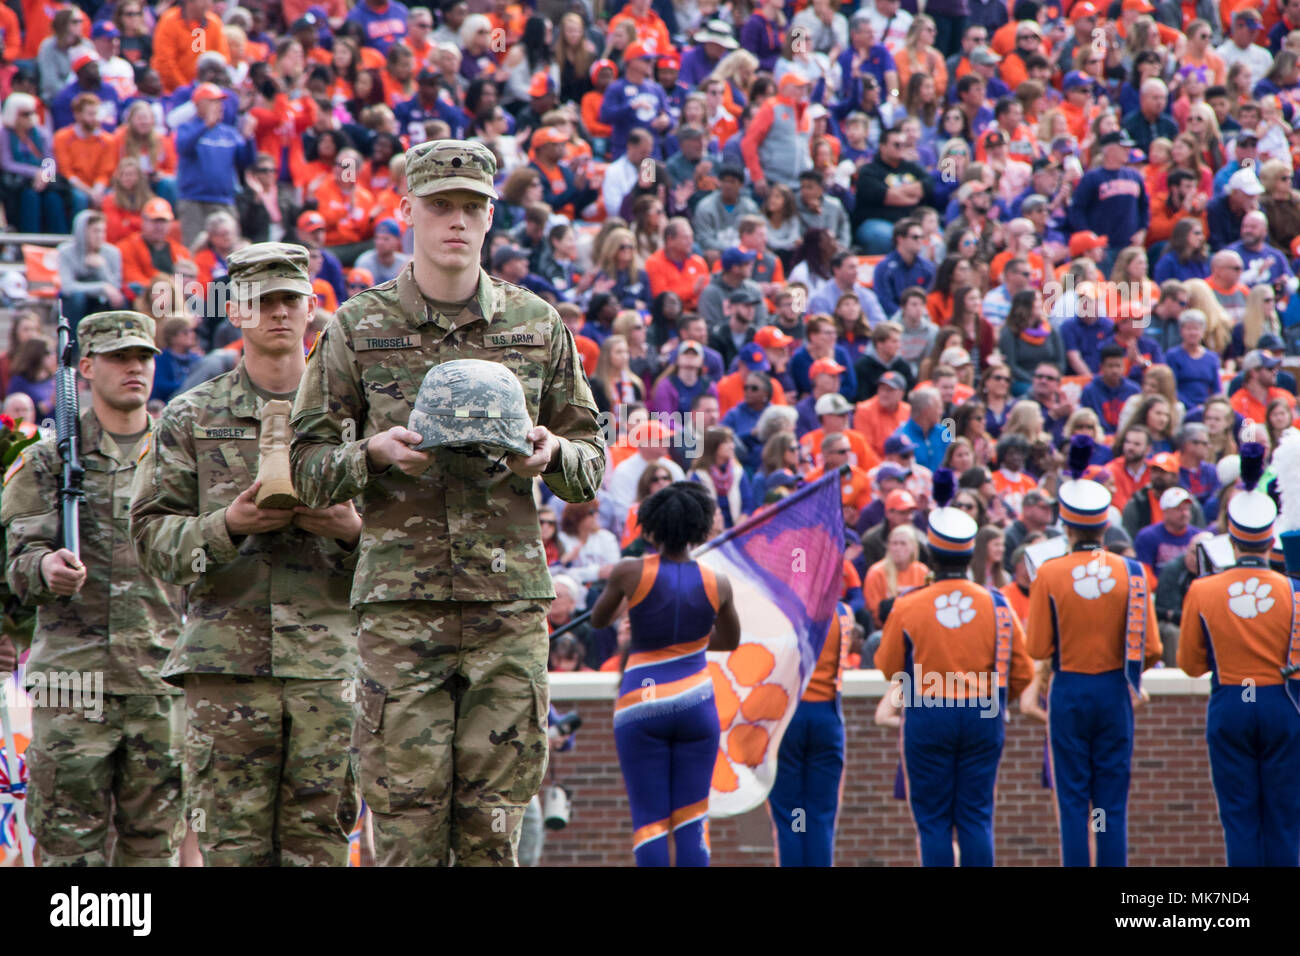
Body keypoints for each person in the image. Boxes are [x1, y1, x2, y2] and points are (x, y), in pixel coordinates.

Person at [289, 141, 605, 867]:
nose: (454, 222)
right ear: (407, 213)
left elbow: (591, 465)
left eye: (470, 206)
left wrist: (551, 455)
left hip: (507, 613)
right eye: (439, 206)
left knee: (495, 835)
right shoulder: (359, 328)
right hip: (402, 615)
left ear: (492, 216)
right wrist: (372, 454)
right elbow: (304, 470)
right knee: (406, 835)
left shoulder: (537, 323)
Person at [131, 244, 362, 867]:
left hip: (327, 667)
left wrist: (350, 530)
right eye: (262, 302)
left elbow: (409, 547)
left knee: (320, 848)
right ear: (234, 310)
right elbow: (152, 540)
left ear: (314, 308)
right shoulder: (191, 415)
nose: (278, 313)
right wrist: (227, 525)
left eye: (291, 300)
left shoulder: (353, 419)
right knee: (232, 849)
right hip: (225, 668)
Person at [2, 311, 184, 867]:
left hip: (158, 677)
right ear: (85, 367)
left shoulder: (181, 457)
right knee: (67, 845)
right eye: (119, 358)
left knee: (154, 845)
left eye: (143, 358)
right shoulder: (48, 461)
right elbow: (15, 561)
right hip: (72, 681)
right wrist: (44, 569)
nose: (134, 368)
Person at [877, 469, 1034, 866]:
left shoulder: (908, 605)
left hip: (928, 710)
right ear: (969, 554)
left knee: (932, 821)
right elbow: (1022, 672)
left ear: (929, 553)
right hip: (983, 709)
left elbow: (890, 668)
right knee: (976, 818)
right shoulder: (999, 603)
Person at [1026, 435, 1161, 867]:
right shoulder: (1135, 573)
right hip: (1114, 690)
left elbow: (1036, 646)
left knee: (1072, 802)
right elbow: (1153, 649)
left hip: (1068, 690)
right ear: (1106, 526)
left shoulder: (1048, 573)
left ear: (1066, 526)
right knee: (1110, 803)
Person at [590, 482, 740, 866]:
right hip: (696, 702)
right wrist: (689, 644)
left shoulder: (628, 572)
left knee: (650, 822)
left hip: (641, 702)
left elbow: (598, 620)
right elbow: (729, 640)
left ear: (651, 527)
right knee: (691, 820)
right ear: (701, 528)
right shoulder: (717, 582)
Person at [1179, 442, 1300, 866]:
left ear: (1231, 537)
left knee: (1240, 819)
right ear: (1271, 538)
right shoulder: (1295, 591)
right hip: (1282, 703)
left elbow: (1190, 665)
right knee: (1285, 819)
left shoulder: (1202, 590)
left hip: (1231, 700)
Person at [854, 125, 934, 253]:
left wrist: (897, 192)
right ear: (882, 147)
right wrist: (913, 195)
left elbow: (928, 185)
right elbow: (885, 196)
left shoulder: (912, 167)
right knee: (884, 238)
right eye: (897, 145)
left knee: (936, 236)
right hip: (877, 221)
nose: (901, 148)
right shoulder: (868, 171)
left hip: (912, 221)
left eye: (904, 145)